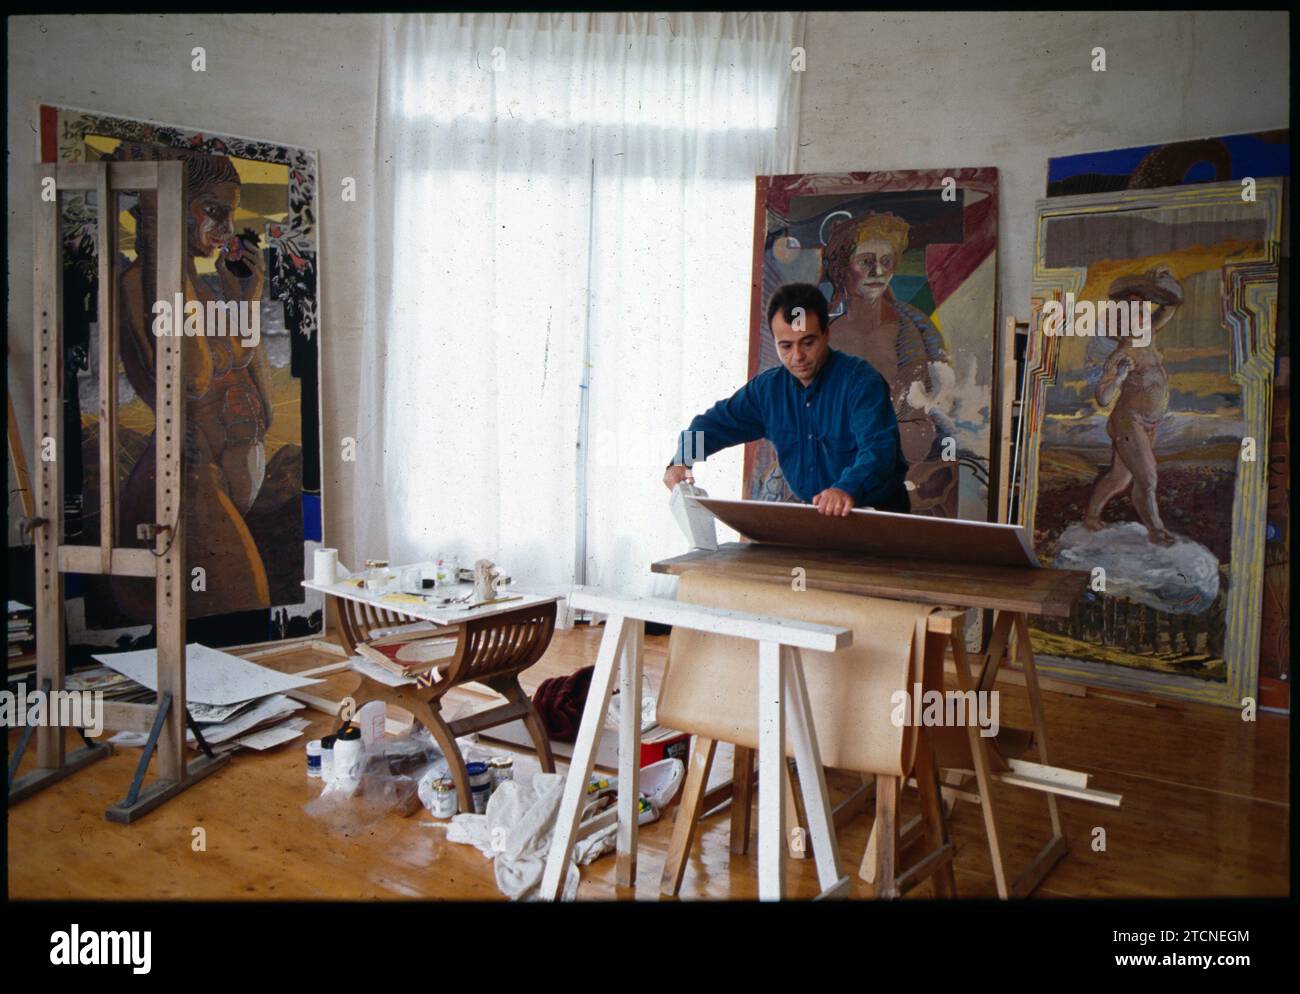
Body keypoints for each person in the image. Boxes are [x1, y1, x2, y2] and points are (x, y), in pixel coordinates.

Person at [663, 283, 909, 516]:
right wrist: (682, 460)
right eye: (786, 346)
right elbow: (714, 425)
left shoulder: (860, 382)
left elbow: (879, 450)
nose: (798, 356)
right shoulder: (767, 391)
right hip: (815, 517)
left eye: (808, 343)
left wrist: (845, 489)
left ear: (826, 333)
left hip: (878, 516)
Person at [1083, 267, 1183, 545]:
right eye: (1135, 312)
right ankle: (1157, 531)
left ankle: (1091, 517)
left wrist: (1162, 282)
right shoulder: (1121, 353)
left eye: (1143, 309)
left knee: (1119, 477)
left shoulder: (1148, 333)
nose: (1142, 315)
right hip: (1130, 422)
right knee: (1147, 480)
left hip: (1148, 424)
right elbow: (1103, 397)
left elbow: (1171, 305)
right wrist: (1121, 376)